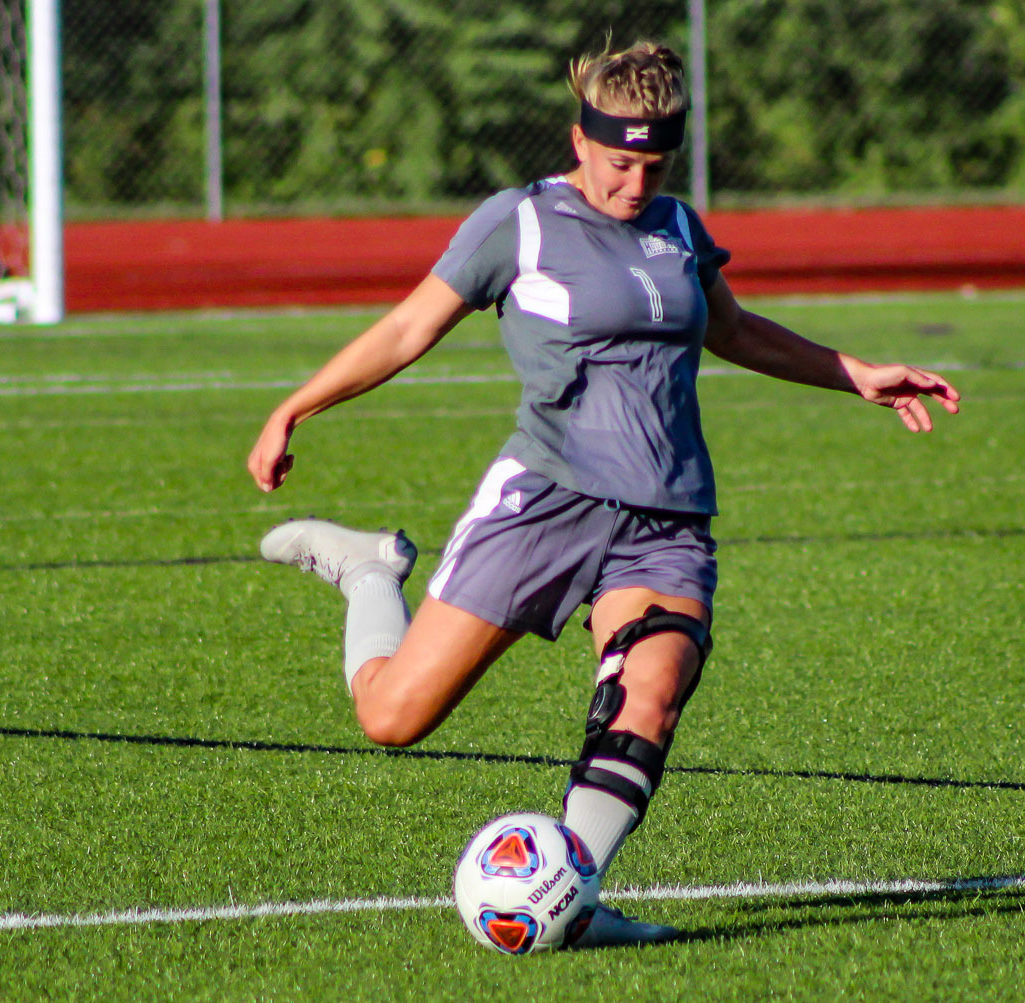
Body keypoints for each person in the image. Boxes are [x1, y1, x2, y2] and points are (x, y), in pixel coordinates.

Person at [246, 40, 959, 949]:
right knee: (392, 717)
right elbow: (405, 329)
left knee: (649, 693)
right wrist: (296, 408)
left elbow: (733, 332)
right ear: (580, 141)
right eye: (619, 161)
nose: (634, 182)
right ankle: (368, 574)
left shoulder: (680, 229)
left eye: (652, 164)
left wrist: (853, 372)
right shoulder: (520, 223)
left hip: (665, 520)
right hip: (543, 503)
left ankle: (568, 903)